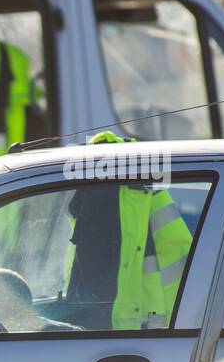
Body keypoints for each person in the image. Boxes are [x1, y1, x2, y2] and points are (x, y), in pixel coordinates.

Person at [62, 132, 193, 330]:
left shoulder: (124, 183)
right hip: (158, 326)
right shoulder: (145, 181)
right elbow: (178, 254)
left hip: (141, 328)